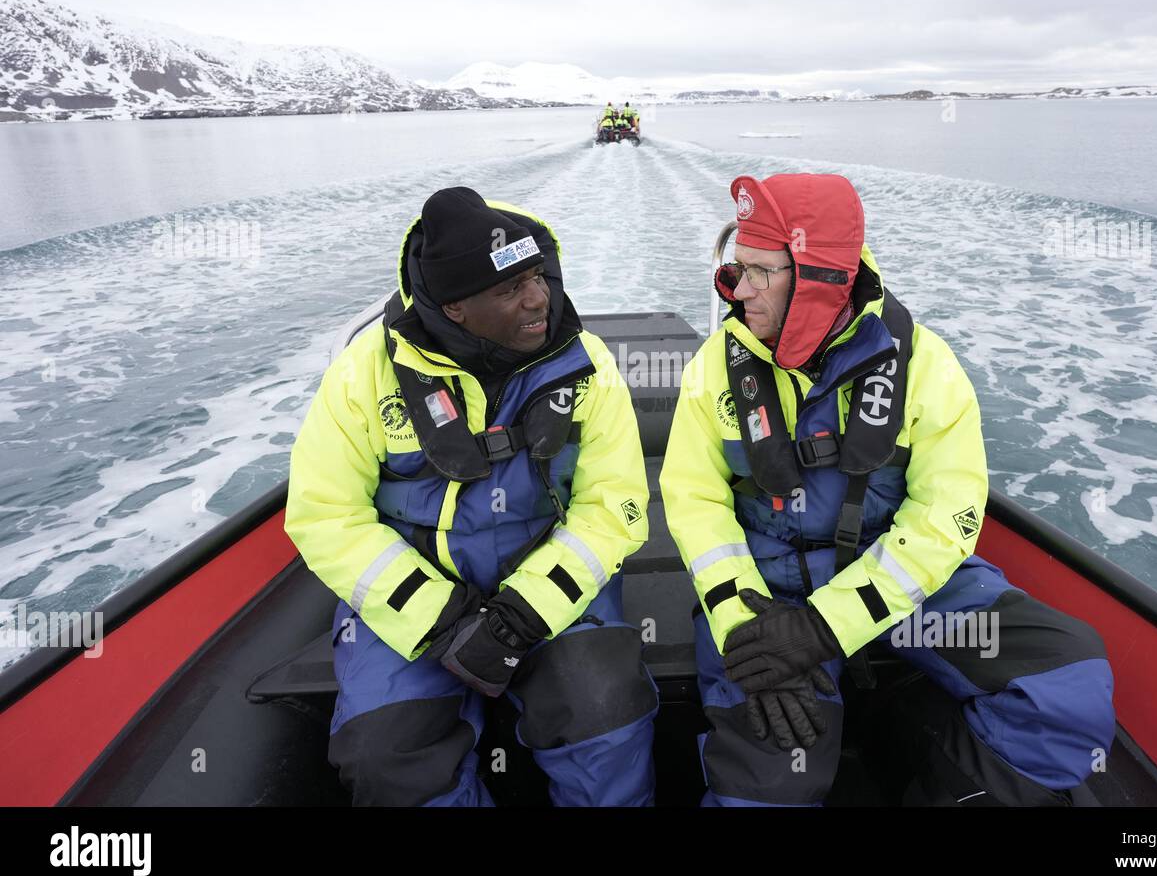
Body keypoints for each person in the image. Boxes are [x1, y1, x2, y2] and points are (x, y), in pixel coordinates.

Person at [660, 172, 1115, 806]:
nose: (738, 293)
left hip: (900, 578)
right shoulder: (715, 368)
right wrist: (744, 629)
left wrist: (827, 628)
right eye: (736, 271)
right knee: (772, 782)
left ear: (823, 280)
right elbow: (695, 502)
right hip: (765, 592)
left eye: (760, 272)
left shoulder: (926, 365)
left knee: (1065, 682)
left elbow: (947, 517)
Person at [285, 187, 658, 806]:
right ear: (454, 308)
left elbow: (614, 505)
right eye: (510, 290)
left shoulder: (584, 362)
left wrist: (522, 615)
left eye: (537, 277)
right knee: (389, 759)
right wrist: (442, 620)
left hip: (552, 585)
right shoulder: (363, 374)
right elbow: (325, 515)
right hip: (410, 597)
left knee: (608, 725)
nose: (539, 298)